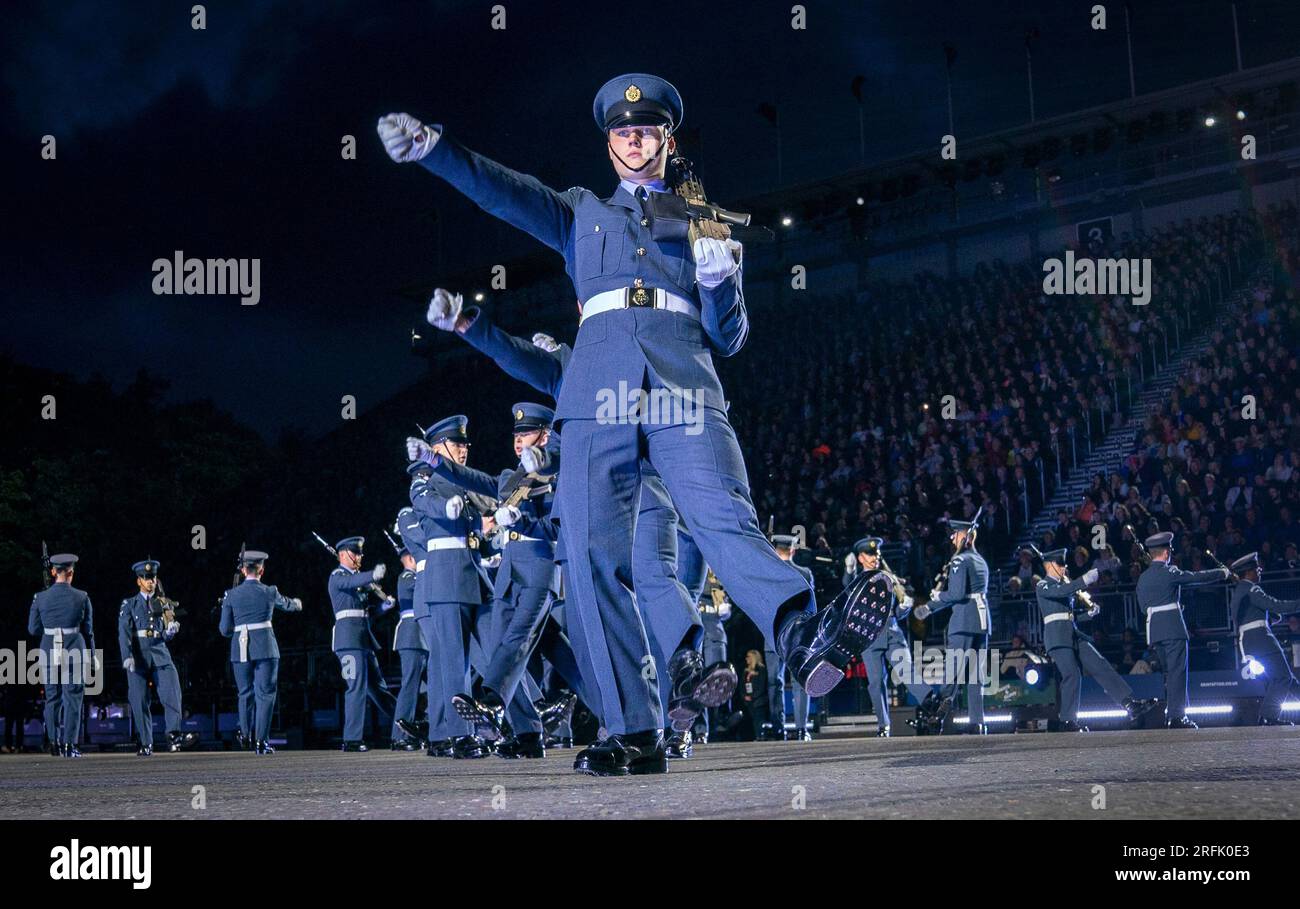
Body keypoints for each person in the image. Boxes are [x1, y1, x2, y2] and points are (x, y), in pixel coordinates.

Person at [379, 74, 890, 775]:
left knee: (721, 515)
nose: (634, 139)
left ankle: (802, 634)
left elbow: (730, 337)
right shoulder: (579, 211)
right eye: (622, 131)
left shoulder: (701, 220)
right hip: (597, 391)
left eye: (646, 130)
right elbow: (502, 190)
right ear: (609, 144)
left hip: (683, 383)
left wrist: (722, 282)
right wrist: (435, 149)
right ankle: (634, 731)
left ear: (667, 139)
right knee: (592, 558)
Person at [419, 296, 735, 760]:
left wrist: (562, 357)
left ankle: (676, 698)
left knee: (649, 605)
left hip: (638, 505)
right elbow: (523, 368)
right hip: (589, 532)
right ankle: (635, 726)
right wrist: (472, 326)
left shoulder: (631, 353)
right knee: (597, 641)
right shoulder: (578, 384)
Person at [429, 403, 563, 759]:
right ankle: (531, 730)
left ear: (545, 436)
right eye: (516, 435)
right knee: (524, 647)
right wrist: (432, 460)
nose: (518, 441)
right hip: (506, 576)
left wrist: (521, 523)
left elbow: (559, 526)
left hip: (539, 567)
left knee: (515, 640)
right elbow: (475, 480)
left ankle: (494, 703)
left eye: (527, 433)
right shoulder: (509, 477)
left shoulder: (557, 474)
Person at [408, 418, 492, 759]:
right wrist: (447, 507)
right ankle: (459, 734)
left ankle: (520, 724)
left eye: (465, 443)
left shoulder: (465, 481)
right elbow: (425, 503)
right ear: (437, 448)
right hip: (447, 578)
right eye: (456, 443)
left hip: (475, 574)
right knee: (455, 660)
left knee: (496, 648)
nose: (464, 448)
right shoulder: (426, 479)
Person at [1031, 547, 1156, 731]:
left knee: (1099, 664)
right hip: (1057, 638)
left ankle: (1129, 704)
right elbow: (1060, 594)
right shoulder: (1043, 585)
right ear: (1049, 566)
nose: (1064, 568)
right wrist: (1084, 580)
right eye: (1060, 565)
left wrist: (1087, 615)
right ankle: (1068, 720)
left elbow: (1068, 616)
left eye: (1064, 565)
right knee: (1072, 674)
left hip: (1072, 634)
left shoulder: (1062, 585)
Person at [1135, 531, 1230, 729]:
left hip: (1155, 631)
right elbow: (1196, 577)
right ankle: (1177, 716)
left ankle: (1173, 711)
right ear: (1166, 552)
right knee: (1177, 672)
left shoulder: (1142, 578)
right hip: (1172, 628)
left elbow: (1143, 607)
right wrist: (1222, 573)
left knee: (1169, 673)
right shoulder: (1170, 572)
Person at [218, 549, 302, 754]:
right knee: (265, 694)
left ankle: (245, 734)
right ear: (261, 570)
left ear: (243, 570)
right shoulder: (270, 591)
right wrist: (297, 603)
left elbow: (224, 630)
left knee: (244, 692)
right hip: (265, 647)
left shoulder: (231, 595)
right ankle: (261, 741)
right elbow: (289, 606)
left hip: (241, 648)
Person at [915, 518, 990, 734]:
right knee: (975, 675)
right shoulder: (980, 560)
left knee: (952, 671)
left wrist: (936, 599)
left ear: (965, 536)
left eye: (955, 535)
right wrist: (931, 606)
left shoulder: (960, 560)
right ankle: (977, 722)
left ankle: (938, 713)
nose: (952, 539)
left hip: (964, 620)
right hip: (981, 621)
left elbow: (957, 594)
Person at [853, 537, 932, 738]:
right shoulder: (858, 580)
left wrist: (904, 607)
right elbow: (848, 589)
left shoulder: (889, 578)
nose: (874, 558)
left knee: (906, 671)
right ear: (861, 558)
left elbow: (896, 611)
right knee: (876, 682)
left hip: (892, 632)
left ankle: (932, 703)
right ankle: (883, 725)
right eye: (869, 554)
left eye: (876, 554)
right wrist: (848, 570)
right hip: (870, 637)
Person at [117, 560, 196, 755]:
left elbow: (166, 631)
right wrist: (127, 655)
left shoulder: (164, 602)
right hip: (138, 654)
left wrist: (170, 631)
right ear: (139, 581)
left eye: (152, 577)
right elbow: (124, 632)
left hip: (159, 651)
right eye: (146, 578)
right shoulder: (130, 604)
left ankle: (173, 735)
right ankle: (145, 742)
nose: (150, 581)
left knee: (172, 693)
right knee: (139, 700)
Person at [328, 536, 398, 752]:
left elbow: (368, 614)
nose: (359, 557)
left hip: (364, 640)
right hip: (348, 641)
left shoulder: (358, 581)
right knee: (356, 687)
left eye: (360, 554)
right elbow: (350, 582)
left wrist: (384, 607)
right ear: (342, 555)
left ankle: (405, 725)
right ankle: (352, 739)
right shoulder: (337, 576)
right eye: (355, 553)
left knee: (379, 689)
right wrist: (371, 575)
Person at [28, 554, 94, 757]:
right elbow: (88, 630)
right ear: (71, 572)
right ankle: (70, 745)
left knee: (52, 697)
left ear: (53, 572)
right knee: (73, 697)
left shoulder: (40, 597)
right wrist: (92, 655)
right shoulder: (82, 596)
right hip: (74, 647)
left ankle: (54, 743)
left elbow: (33, 629)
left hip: (48, 647)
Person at [1230, 551, 1300, 725]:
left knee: (1284, 678)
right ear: (1248, 572)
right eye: (1257, 569)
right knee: (1282, 678)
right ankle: (1269, 716)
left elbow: (1249, 614)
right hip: (1261, 639)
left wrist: (1270, 616)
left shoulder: (1239, 591)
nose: (1259, 571)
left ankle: (1269, 716)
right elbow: (1275, 604)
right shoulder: (1252, 588)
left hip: (1249, 640)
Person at [389, 539, 428, 750]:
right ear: (412, 558)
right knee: (410, 687)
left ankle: (420, 729)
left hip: (422, 638)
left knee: (426, 689)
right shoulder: (407, 577)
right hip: (412, 637)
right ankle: (400, 735)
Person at [740, 650, 769, 741]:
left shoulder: (761, 670)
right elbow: (742, 686)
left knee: (759, 719)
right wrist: (744, 696)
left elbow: (762, 686)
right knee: (754, 720)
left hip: (759, 700)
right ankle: (757, 736)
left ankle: (762, 736)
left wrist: (753, 696)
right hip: (749, 701)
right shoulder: (746, 671)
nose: (746, 659)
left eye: (749, 656)